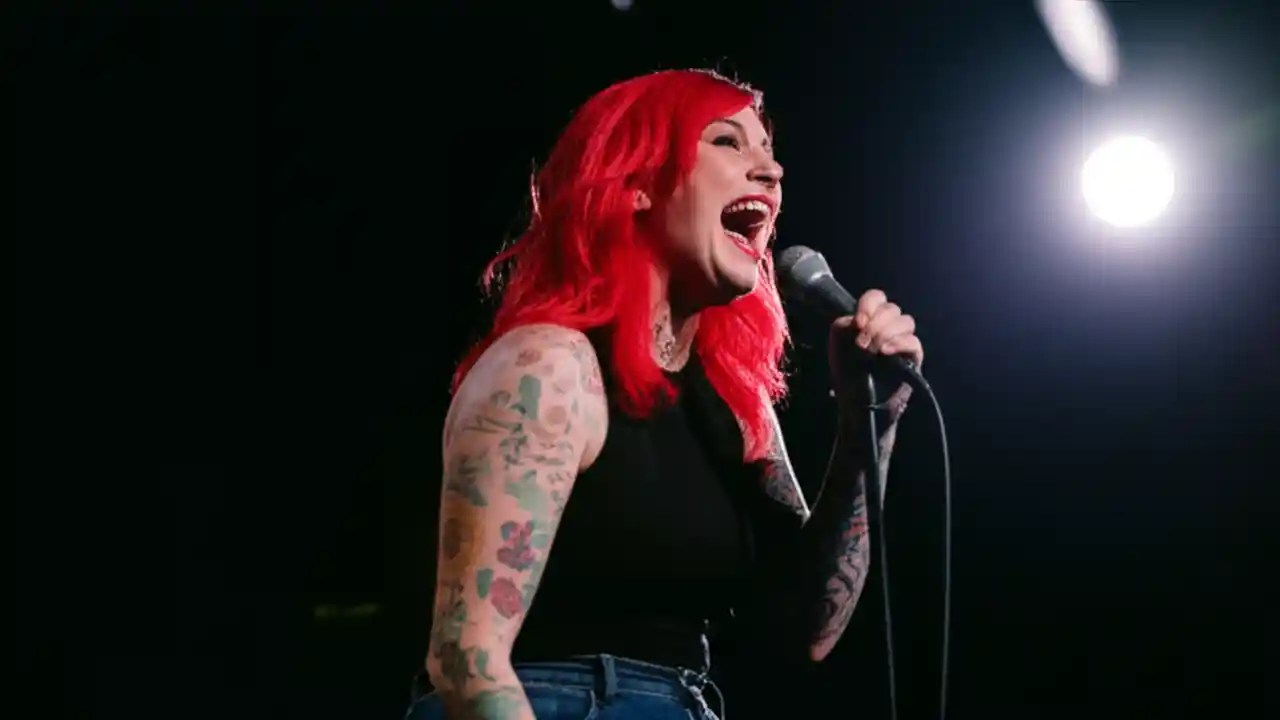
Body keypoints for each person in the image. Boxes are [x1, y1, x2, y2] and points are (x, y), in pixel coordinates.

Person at [405, 68, 923, 720]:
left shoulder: (736, 406)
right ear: (639, 184)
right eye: (728, 143)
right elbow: (466, 659)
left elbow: (809, 630)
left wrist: (867, 426)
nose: (771, 171)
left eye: (768, 150)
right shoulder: (549, 368)